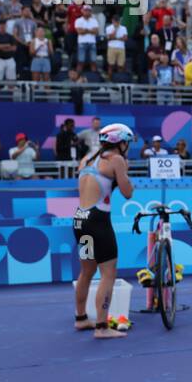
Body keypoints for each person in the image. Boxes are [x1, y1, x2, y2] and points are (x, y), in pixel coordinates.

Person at [73, 123, 135, 338]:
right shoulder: (117, 160)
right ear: (121, 142)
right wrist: (125, 173)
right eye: (127, 142)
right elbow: (128, 193)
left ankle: (81, 318)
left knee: (86, 271)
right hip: (98, 220)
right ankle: (101, 326)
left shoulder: (87, 159)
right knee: (108, 273)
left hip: (80, 219)